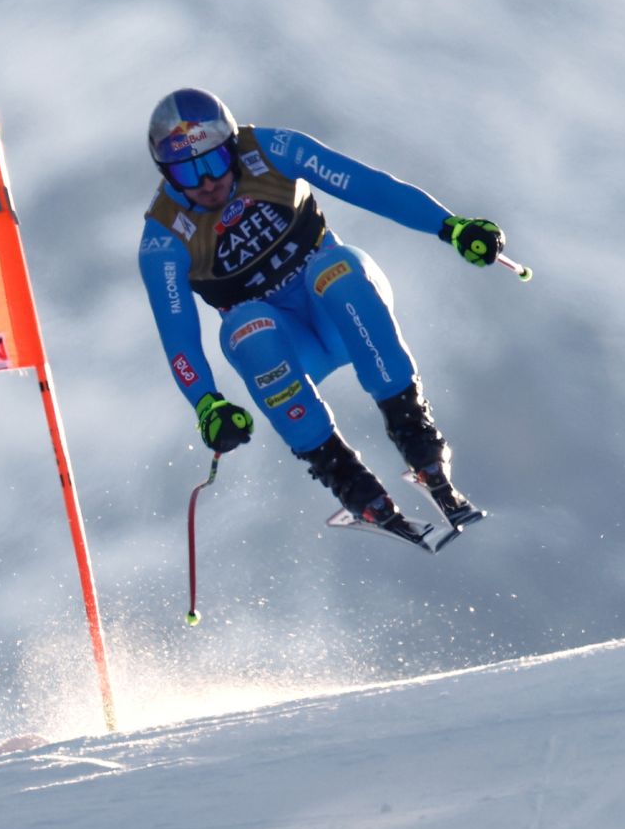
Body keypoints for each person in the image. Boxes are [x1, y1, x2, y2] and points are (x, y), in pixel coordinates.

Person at [137, 87, 505, 537]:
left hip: (340, 314)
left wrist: (451, 227)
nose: (206, 183)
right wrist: (207, 404)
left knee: (335, 267)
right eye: (186, 173)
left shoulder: (273, 150)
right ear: (165, 174)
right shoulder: (163, 237)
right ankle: (346, 479)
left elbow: (369, 187)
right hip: (289, 344)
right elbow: (178, 338)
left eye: (213, 163)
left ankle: (418, 441)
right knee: (245, 329)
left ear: (233, 148)